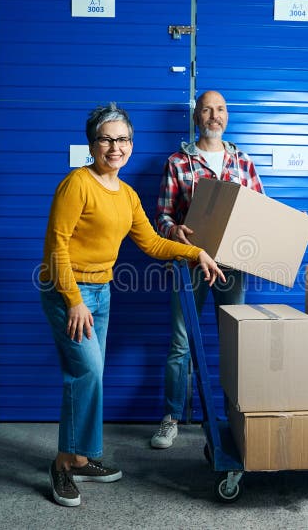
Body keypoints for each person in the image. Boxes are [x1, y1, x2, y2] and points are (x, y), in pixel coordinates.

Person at [39, 102, 225, 507]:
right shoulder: (77, 184)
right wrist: (73, 301)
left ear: (131, 144)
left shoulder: (126, 195)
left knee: (93, 375)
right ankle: (62, 464)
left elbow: (154, 243)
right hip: (68, 291)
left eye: (122, 139)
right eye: (107, 139)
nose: (115, 147)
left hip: (102, 293)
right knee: (84, 373)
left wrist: (196, 254)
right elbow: (56, 245)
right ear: (92, 143)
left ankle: (83, 457)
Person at [151, 91, 264, 449]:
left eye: (220, 110)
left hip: (232, 266)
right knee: (180, 343)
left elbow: (264, 213)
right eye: (206, 110)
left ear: (226, 116)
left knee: (235, 340)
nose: (214, 116)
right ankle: (170, 418)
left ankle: (236, 414)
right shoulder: (177, 163)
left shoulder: (243, 162)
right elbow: (162, 217)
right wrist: (173, 230)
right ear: (197, 117)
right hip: (190, 264)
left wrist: (294, 231)